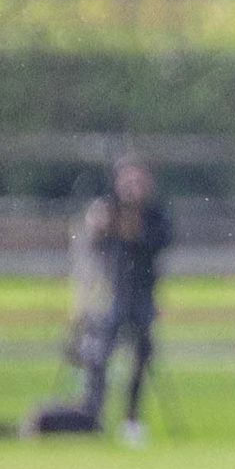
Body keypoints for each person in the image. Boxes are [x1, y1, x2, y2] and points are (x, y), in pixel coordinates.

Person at [77, 155, 171, 446]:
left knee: (141, 356)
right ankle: (93, 414)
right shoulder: (109, 212)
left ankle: (132, 418)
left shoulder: (155, 215)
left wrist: (135, 229)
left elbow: (158, 243)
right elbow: (96, 248)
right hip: (114, 295)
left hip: (143, 295)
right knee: (99, 354)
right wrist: (98, 226)